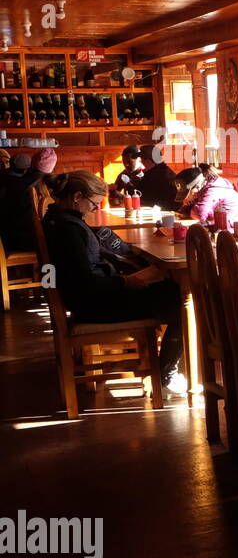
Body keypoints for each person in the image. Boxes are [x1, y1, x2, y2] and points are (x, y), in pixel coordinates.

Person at [42, 172, 187, 396]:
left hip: (86, 299)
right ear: (77, 196)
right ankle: (165, 372)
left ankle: (164, 369)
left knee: (169, 289)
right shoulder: (68, 230)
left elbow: (67, 273)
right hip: (95, 306)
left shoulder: (55, 219)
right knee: (183, 302)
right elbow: (86, 281)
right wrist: (127, 281)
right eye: (94, 204)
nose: (96, 210)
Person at [0, 148, 57, 254]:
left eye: (6, 162)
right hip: (20, 241)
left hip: (10, 238)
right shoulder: (38, 187)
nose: (3, 166)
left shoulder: (18, 183)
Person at [175, 163, 238, 229]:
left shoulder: (213, 190)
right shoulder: (205, 189)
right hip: (236, 231)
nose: (187, 198)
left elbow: (200, 214)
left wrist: (189, 210)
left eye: (188, 194)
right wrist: (186, 210)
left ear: (197, 187)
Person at [133, 145, 179, 210]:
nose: (141, 162)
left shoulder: (154, 175)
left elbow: (139, 195)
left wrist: (131, 186)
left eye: (142, 159)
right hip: (169, 212)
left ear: (149, 160)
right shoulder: (165, 171)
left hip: (163, 213)